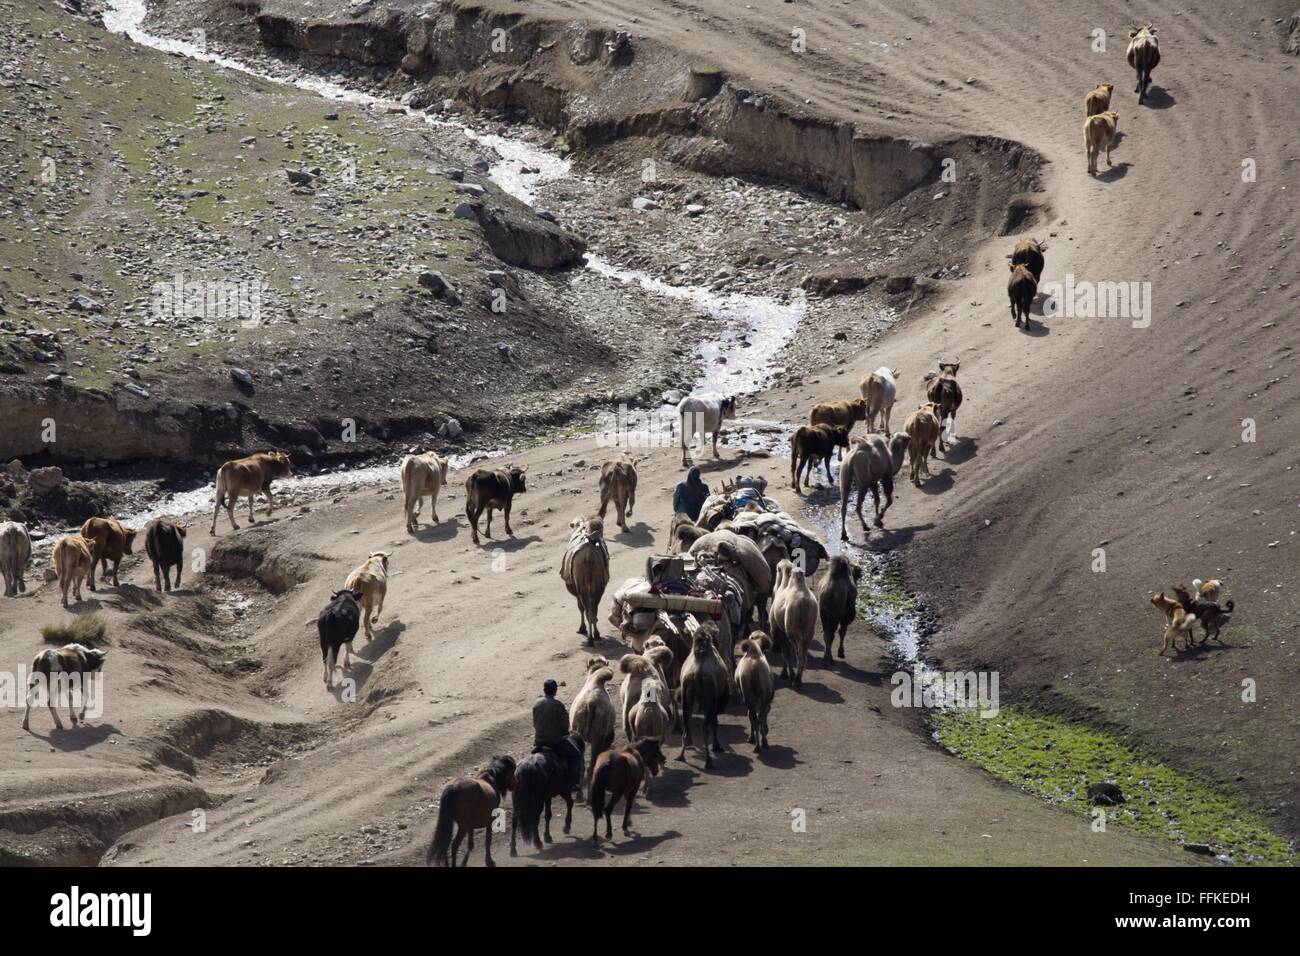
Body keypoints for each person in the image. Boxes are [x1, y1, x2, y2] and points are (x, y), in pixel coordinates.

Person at [532, 678, 569, 751]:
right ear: (555, 691)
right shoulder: (558, 705)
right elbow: (565, 725)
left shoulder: (536, 703)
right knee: (575, 754)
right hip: (555, 742)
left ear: (544, 690)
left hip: (539, 741)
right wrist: (565, 733)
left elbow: (535, 724)